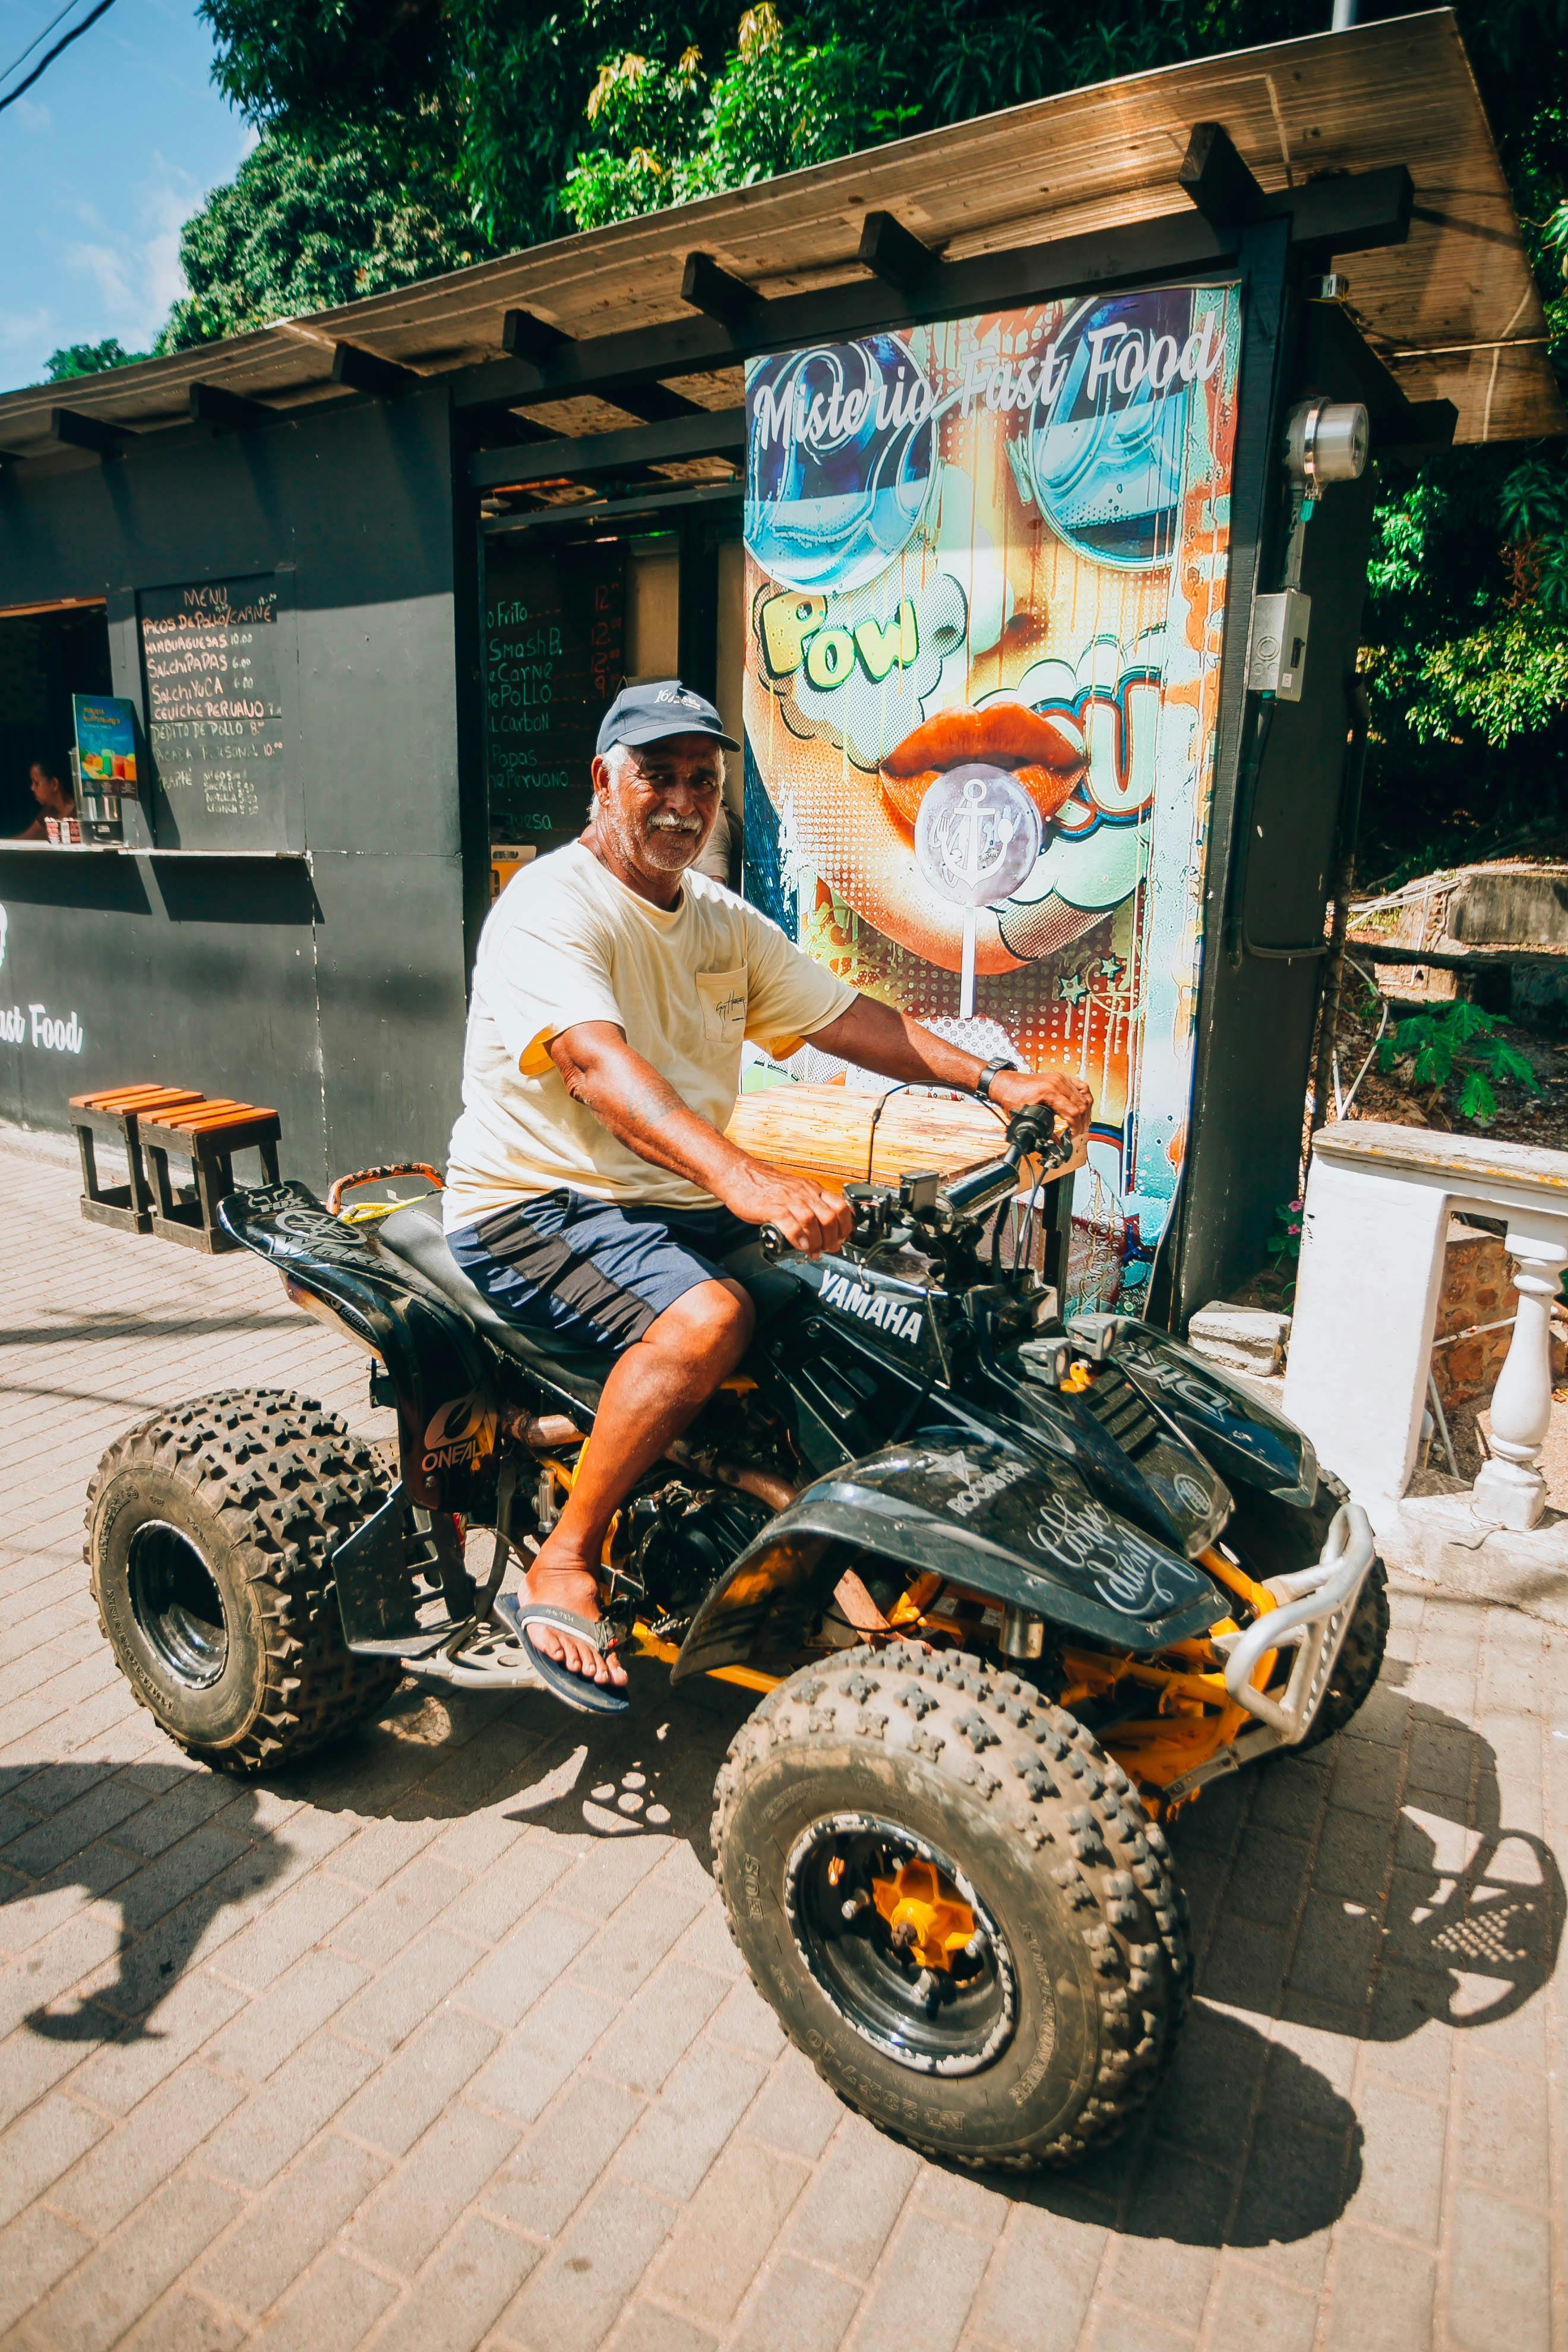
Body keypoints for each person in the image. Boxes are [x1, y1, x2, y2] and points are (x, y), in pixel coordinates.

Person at [442, 677, 1092, 1706]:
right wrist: (749, 1180)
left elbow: (852, 1019)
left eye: (702, 781)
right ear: (602, 783)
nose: (683, 801)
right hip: (536, 1202)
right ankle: (567, 1557)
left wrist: (996, 1077)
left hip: (666, 1204)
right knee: (710, 1320)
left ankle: (830, 1550)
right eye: (658, 775)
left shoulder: (719, 921)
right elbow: (598, 1070)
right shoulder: (550, 905)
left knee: (872, 1310)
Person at [11, 755, 75, 841]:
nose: (32, 788)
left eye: (37, 783)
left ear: (54, 784)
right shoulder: (48, 813)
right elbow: (23, 840)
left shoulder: (79, 813)